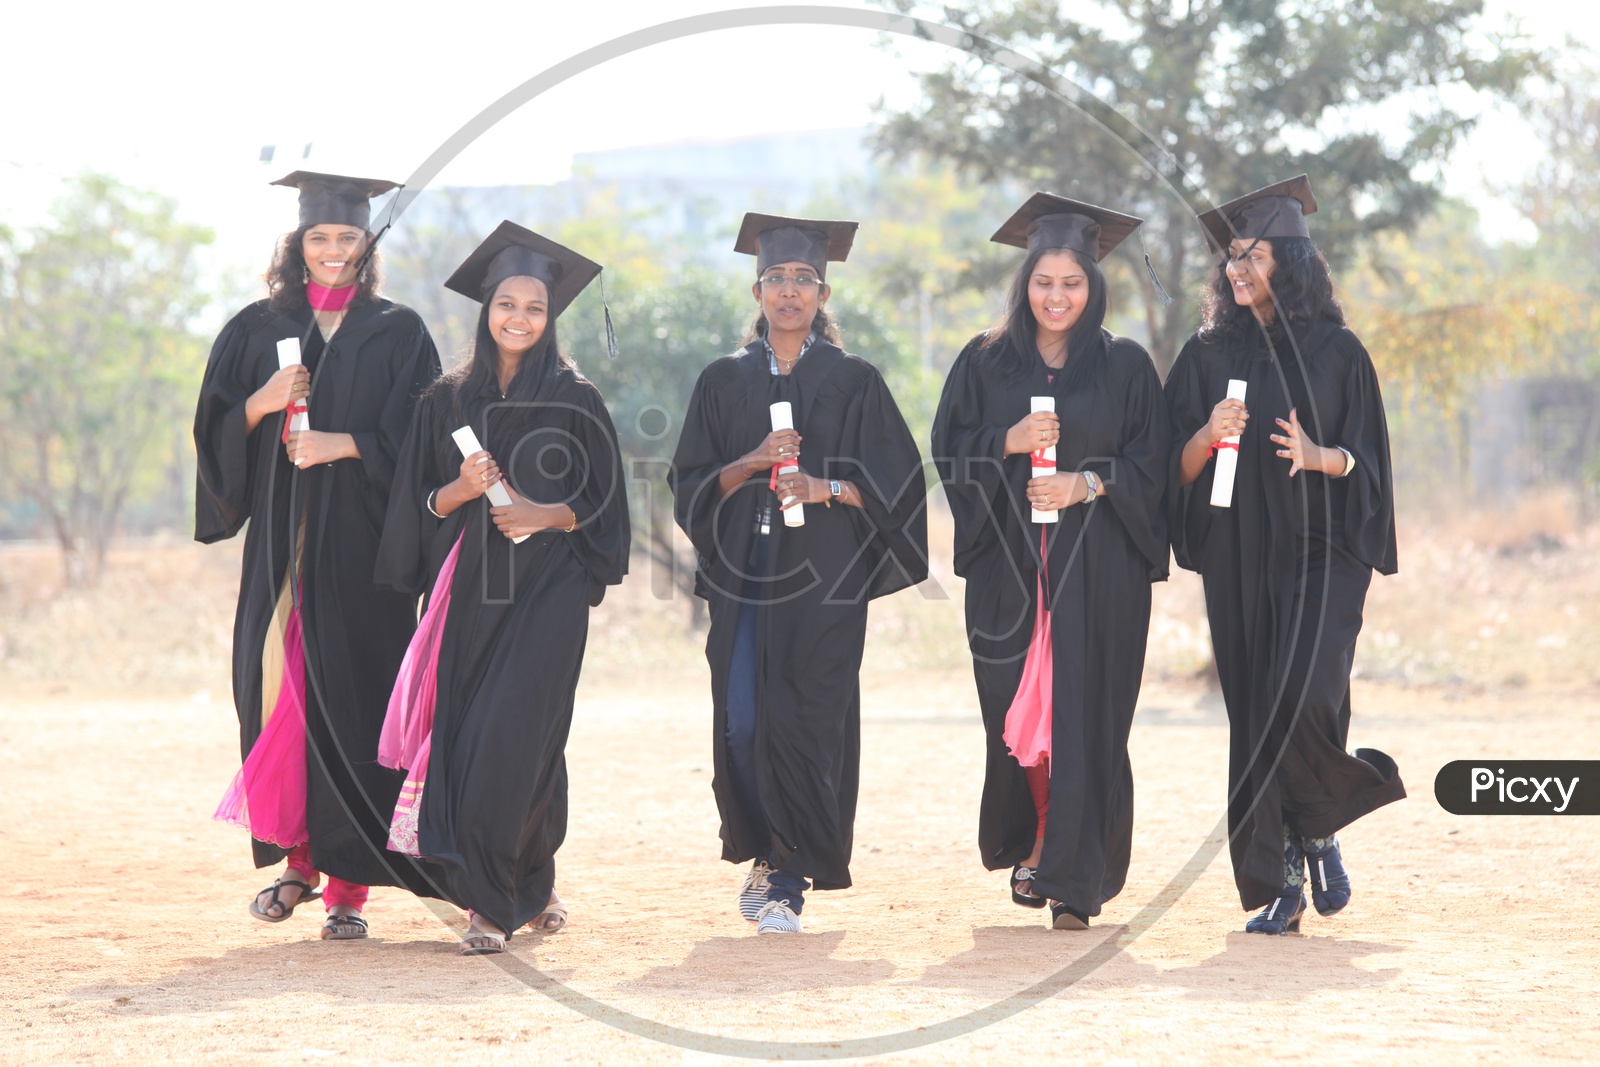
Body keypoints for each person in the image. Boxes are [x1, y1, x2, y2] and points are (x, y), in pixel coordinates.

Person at [197, 171, 441, 940]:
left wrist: (348, 445)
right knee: (281, 701)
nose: (333, 251)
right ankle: (299, 859)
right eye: (319, 237)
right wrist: (260, 404)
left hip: (363, 561)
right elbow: (211, 434)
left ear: (367, 244)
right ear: (297, 244)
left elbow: (425, 444)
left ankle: (347, 889)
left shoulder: (399, 331)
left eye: (346, 237)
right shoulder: (254, 327)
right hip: (282, 557)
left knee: (357, 708)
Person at [373, 221, 629, 955]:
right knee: (484, 739)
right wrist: (458, 489)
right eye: (506, 303)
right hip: (467, 598)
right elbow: (414, 510)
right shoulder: (446, 400)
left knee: (513, 737)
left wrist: (544, 513)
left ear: (552, 319)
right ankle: (533, 880)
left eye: (535, 308)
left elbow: (608, 508)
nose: (519, 317)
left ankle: (491, 903)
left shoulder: (576, 398)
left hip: (547, 593)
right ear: (485, 310)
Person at [670, 213, 928, 935]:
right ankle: (762, 847)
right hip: (745, 577)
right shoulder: (724, 379)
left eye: (803, 281)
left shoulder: (853, 378)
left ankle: (788, 873)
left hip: (824, 581)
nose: (790, 292)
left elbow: (901, 486)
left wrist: (828, 488)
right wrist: (751, 461)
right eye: (777, 279)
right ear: (757, 290)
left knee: (808, 720)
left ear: (822, 292)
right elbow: (689, 481)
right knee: (744, 718)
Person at [1165, 175, 1405, 935]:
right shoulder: (1206, 354)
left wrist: (1319, 455)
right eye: (1230, 259)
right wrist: (1206, 433)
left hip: (1323, 551)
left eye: (1254, 256)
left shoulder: (1339, 353)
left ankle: (1322, 823)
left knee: (1303, 695)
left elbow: (1369, 463)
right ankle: (1281, 879)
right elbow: (1166, 470)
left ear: (1291, 261)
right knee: (1255, 713)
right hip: (1239, 552)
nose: (1237, 270)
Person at [931, 194, 1170, 930]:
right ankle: (1040, 835)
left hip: (1099, 574)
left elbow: (1153, 465)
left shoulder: (1125, 364)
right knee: (1017, 714)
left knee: (1083, 716)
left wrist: (1086, 484)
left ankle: (1072, 873)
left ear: (1094, 286)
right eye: (1044, 282)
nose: (1057, 296)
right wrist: (1005, 440)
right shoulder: (985, 359)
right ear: (1024, 282)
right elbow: (948, 447)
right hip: (1010, 569)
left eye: (1072, 283)